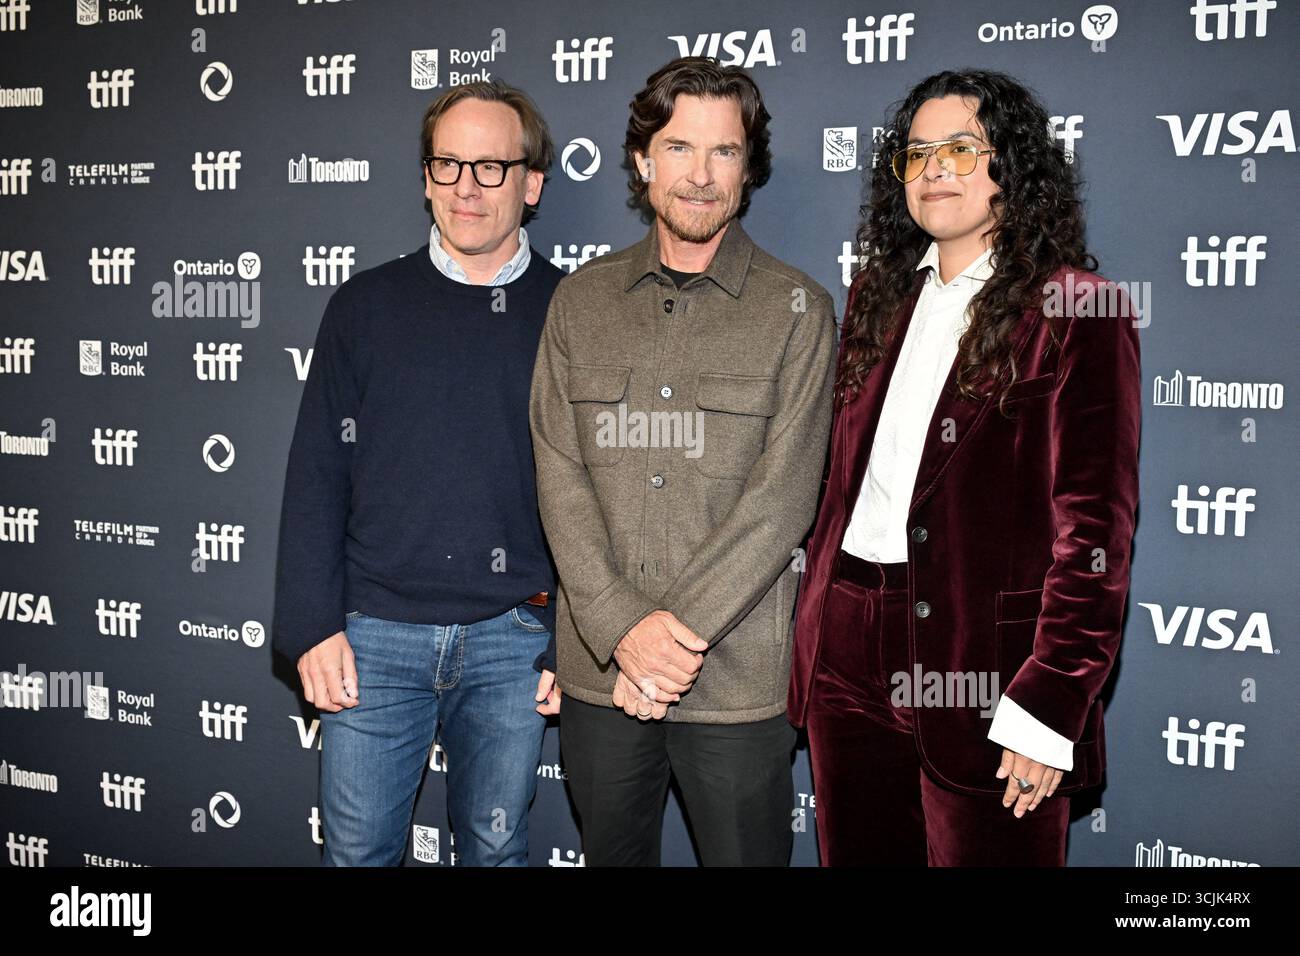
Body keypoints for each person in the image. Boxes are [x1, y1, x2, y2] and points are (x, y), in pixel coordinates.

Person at [788, 69, 1141, 866]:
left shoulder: (1078, 308)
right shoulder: (877, 295)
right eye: (917, 154)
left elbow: (1097, 532)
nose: (935, 169)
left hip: (987, 667)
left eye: (960, 148)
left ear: (1009, 166)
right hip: (846, 647)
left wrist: (1051, 702)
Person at [529, 56, 836, 866]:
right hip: (600, 676)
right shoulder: (578, 303)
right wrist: (623, 627)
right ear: (641, 160)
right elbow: (559, 473)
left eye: (724, 152)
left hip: (737, 685)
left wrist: (669, 644)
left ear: (748, 167)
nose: (700, 176)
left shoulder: (798, 309)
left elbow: (784, 499)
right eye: (677, 148)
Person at [272, 79, 564, 866]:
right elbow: (315, 475)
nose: (466, 186)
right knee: (359, 855)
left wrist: (579, 639)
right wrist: (311, 625)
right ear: (426, 177)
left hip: (515, 641)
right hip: (372, 638)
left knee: (496, 857)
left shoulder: (575, 313)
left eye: (491, 167)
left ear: (532, 182)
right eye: (448, 164)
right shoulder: (365, 306)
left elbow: (604, 494)